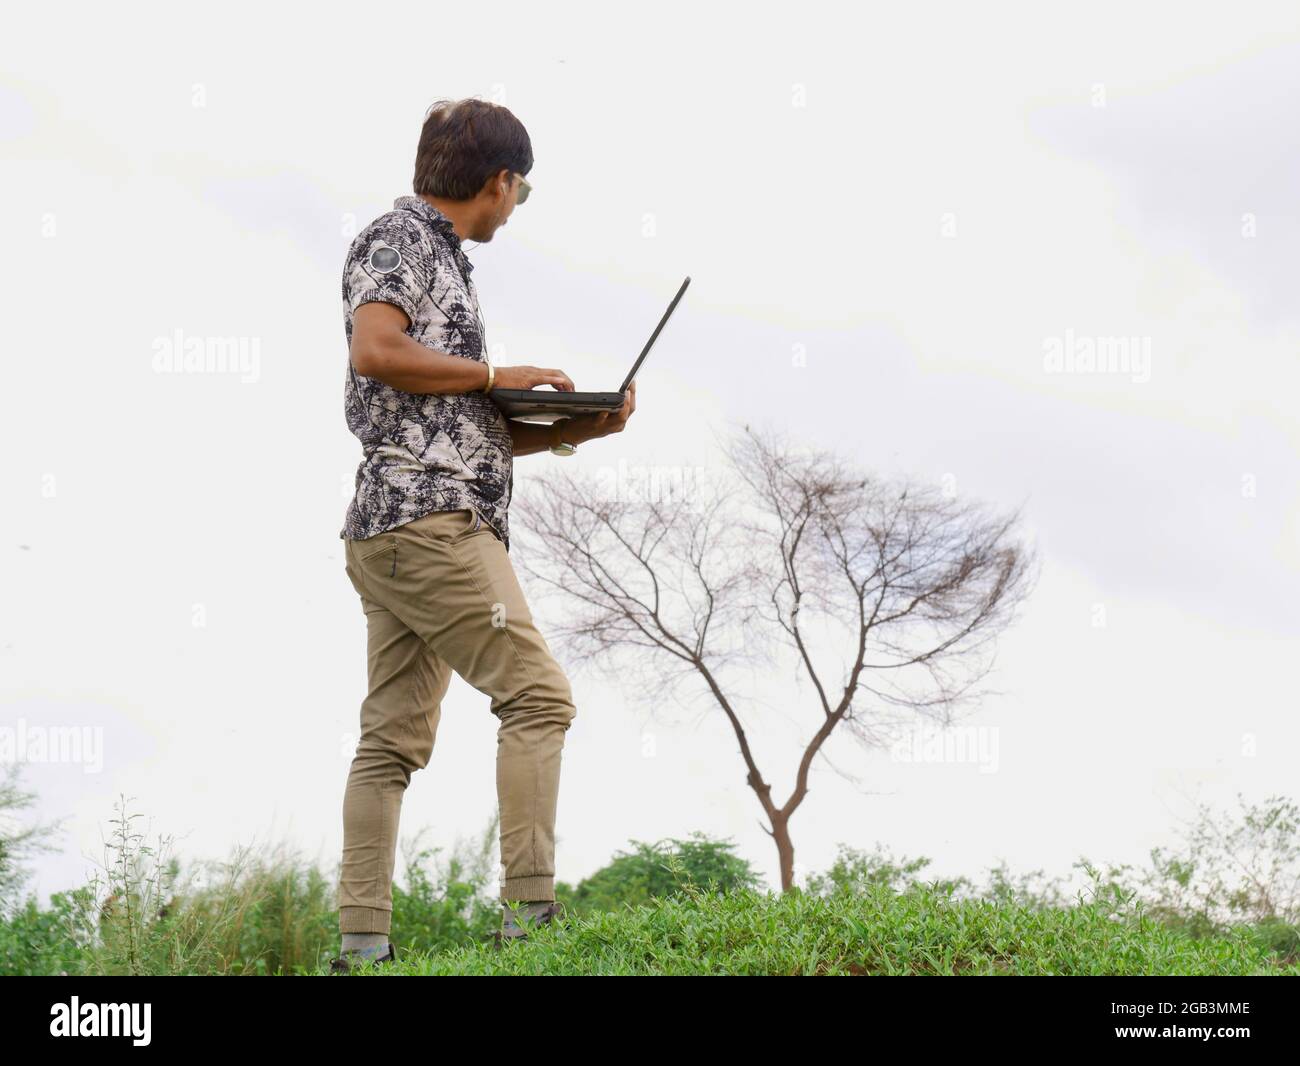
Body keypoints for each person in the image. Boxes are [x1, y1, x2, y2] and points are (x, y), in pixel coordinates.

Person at [329, 97, 634, 971]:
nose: (514, 206)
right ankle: (529, 918)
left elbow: (456, 426)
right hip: (430, 527)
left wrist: (575, 427)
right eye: (520, 192)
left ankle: (362, 945)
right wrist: (500, 373)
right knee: (539, 698)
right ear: (498, 182)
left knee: (390, 739)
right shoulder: (400, 241)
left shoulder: (443, 260)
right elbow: (375, 352)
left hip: (397, 523)